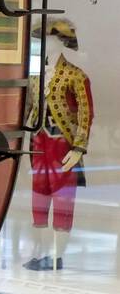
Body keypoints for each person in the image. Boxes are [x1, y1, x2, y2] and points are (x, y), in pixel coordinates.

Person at [23, 17, 93, 271]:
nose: (42, 43)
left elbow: (86, 114)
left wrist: (78, 149)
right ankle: (39, 251)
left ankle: (56, 255)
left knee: (63, 200)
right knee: (38, 196)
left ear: (60, 41)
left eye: (47, 38)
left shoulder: (76, 75)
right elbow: (27, 107)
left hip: (63, 145)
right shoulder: (33, 74)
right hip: (38, 141)